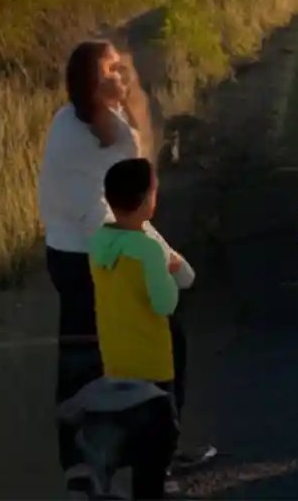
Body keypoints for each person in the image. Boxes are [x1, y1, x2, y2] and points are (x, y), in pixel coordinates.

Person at [37, 40, 211, 495]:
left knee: (82, 363)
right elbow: (133, 210)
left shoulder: (63, 123)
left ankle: (81, 465)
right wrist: (173, 262)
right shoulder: (116, 136)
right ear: (98, 85)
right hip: (106, 254)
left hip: (65, 255)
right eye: (113, 70)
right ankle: (158, 453)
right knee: (158, 346)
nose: (122, 73)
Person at [89, 158, 184, 499]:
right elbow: (165, 304)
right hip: (152, 364)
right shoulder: (147, 249)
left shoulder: (99, 241)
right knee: (155, 451)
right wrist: (170, 269)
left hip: (116, 361)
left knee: (130, 442)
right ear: (145, 200)